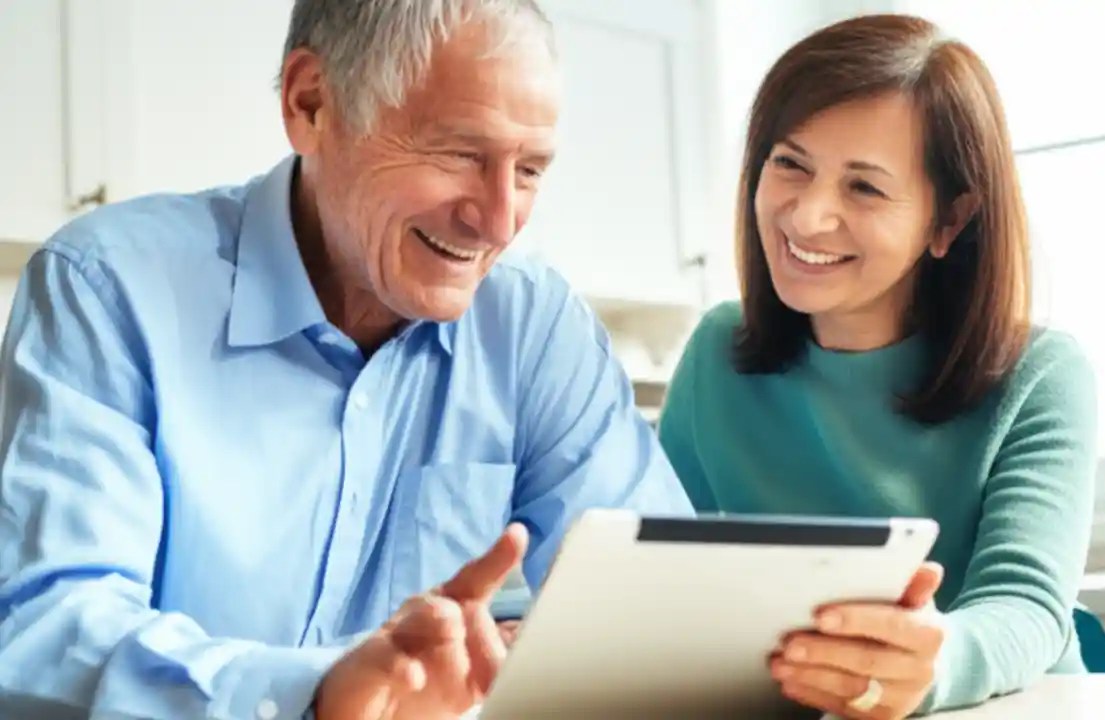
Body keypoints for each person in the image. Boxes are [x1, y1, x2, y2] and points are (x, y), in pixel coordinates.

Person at [0, 1, 693, 718]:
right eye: (459, 153)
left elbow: (662, 608)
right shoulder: (109, 286)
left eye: (530, 170)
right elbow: (46, 631)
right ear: (312, 104)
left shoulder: (533, 325)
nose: (499, 220)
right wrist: (316, 694)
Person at [658, 13, 1098, 720]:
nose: (806, 217)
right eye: (790, 164)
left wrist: (928, 663)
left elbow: (1025, 606)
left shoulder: (1041, 375)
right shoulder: (717, 353)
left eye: (863, 188)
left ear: (949, 221)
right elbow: (652, 568)